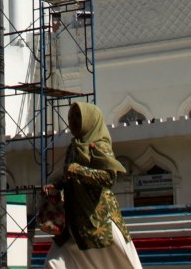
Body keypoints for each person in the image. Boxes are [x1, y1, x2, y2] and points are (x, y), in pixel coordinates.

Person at [44, 102, 143, 269]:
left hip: (98, 218)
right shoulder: (72, 148)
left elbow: (109, 178)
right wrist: (56, 186)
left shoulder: (99, 145)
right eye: (70, 117)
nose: (73, 121)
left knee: (117, 263)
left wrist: (78, 170)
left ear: (89, 120)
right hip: (74, 222)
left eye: (78, 116)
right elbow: (69, 176)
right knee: (54, 264)